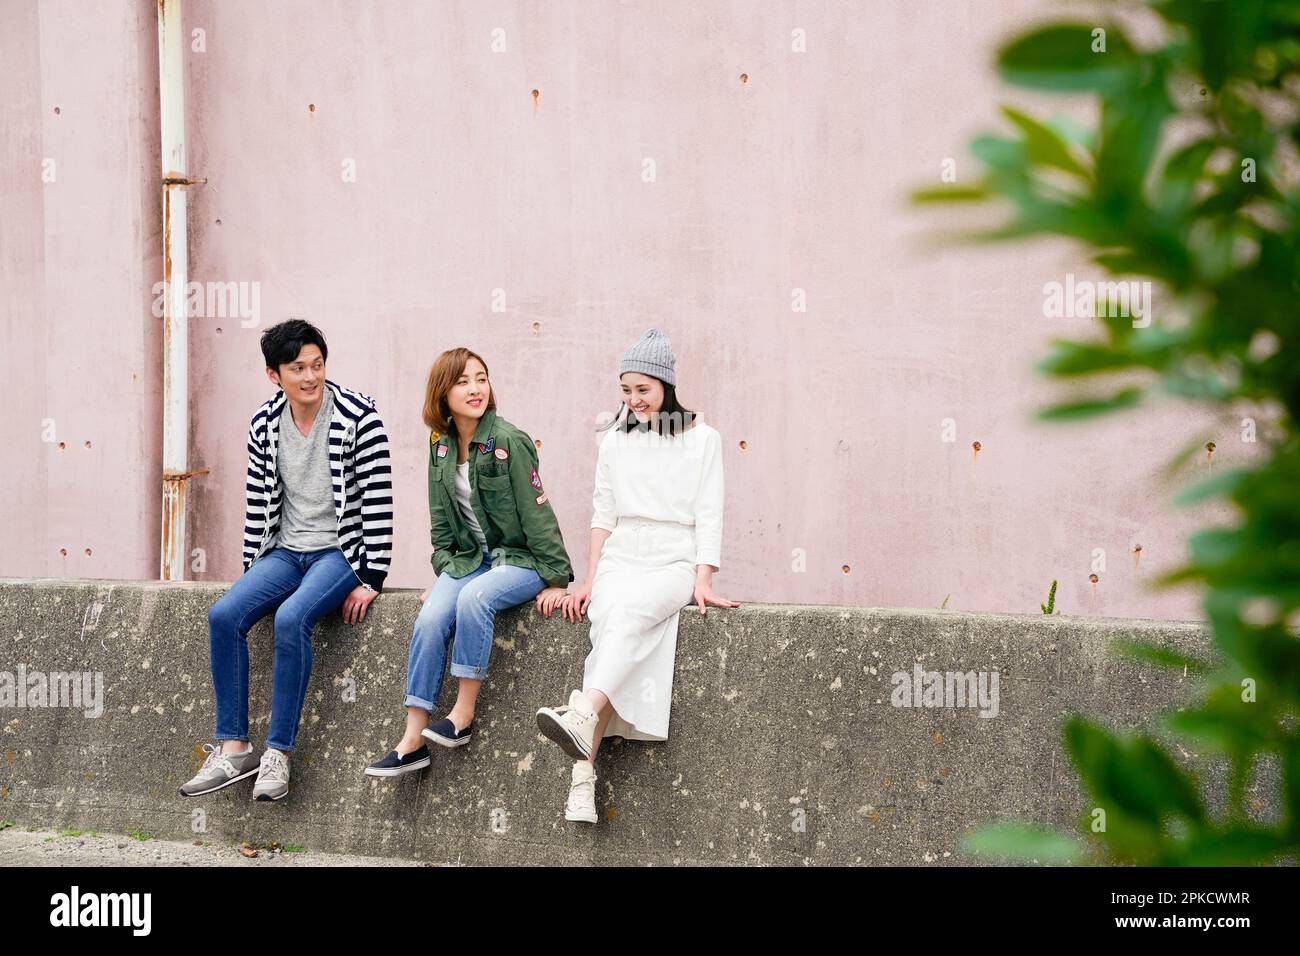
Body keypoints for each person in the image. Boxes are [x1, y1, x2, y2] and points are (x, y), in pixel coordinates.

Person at [180, 319, 393, 801]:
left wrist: (371, 576)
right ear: (274, 375)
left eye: (317, 365)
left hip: (340, 552)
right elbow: (258, 504)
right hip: (285, 551)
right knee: (225, 614)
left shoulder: (360, 417)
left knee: (293, 617)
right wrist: (251, 573)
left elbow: (379, 499)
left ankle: (278, 754)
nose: (310, 376)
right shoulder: (263, 424)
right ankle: (234, 746)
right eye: (298, 368)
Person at [534, 329, 738, 822]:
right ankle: (582, 776)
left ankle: (582, 722)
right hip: (621, 558)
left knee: (623, 616)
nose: (634, 400)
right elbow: (602, 514)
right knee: (609, 620)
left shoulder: (703, 440)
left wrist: (703, 579)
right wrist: (589, 580)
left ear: (665, 384)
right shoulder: (615, 441)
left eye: (642, 389)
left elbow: (710, 513)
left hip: (672, 561)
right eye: (625, 390)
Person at [365, 348, 573, 776]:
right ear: (443, 392)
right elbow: (440, 519)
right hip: (470, 560)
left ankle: (462, 716)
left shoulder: (509, 442)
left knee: (474, 599)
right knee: (430, 616)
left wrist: (557, 580)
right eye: (462, 381)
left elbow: (538, 514)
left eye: (481, 378)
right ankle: (412, 739)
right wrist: (445, 572)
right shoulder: (440, 445)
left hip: (521, 560)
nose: (475, 389)